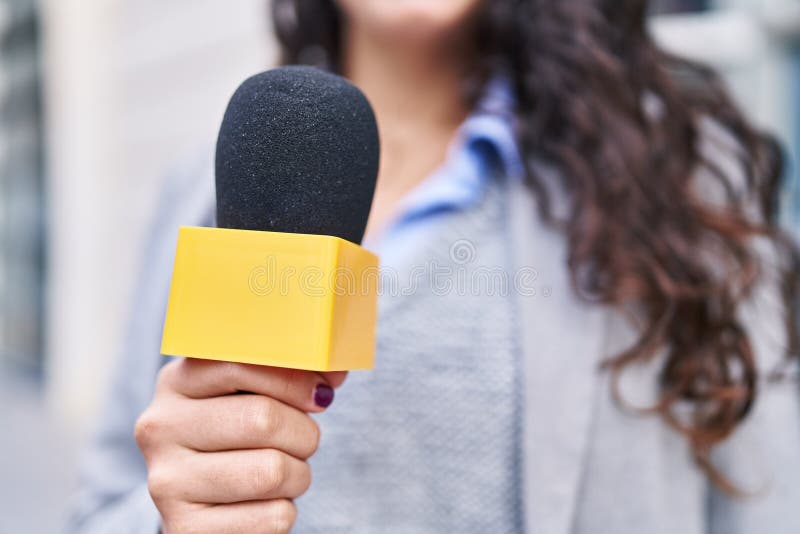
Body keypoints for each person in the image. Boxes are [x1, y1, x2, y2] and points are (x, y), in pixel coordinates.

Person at [66, 1, 800, 533]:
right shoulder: (197, 192)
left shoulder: (678, 180)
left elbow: (771, 502)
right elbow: (99, 510)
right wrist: (176, 514)